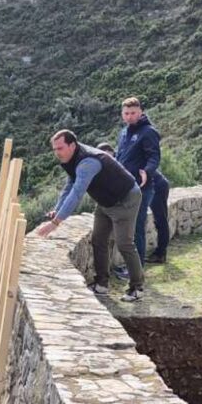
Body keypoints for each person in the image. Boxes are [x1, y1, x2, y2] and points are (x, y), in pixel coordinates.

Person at [36, 130, 144, 302]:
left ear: (72, 145)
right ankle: (102, 285)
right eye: (54, 149)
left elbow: (77, 193)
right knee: (98, 240)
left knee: (124, 243)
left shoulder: (88, 162)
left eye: (60, 148)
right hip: (105, 201)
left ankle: (136, 288)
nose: (57, 153)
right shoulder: (71, 158)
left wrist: (56, 223)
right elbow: (69, 185)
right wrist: (57, 208)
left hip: (125, 198)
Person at [115, 96, 161, 266]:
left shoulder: (148, 131)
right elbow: (120, 157)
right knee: (128, 228)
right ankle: (132, 266)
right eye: (126, 113)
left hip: (142, 188)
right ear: (122, 114)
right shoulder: (124, 132)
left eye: (133, 113)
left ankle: (137, 267)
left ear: (140, 112)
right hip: (123, 187)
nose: (129, 117)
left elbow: (154, 156)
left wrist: (147, 171)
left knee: (137, 227)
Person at [147, 171, 170, 263]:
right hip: (158, 184)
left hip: (157, 186)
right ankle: (161, 253)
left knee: (161, 221)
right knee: (161, 221)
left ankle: (160, 254)